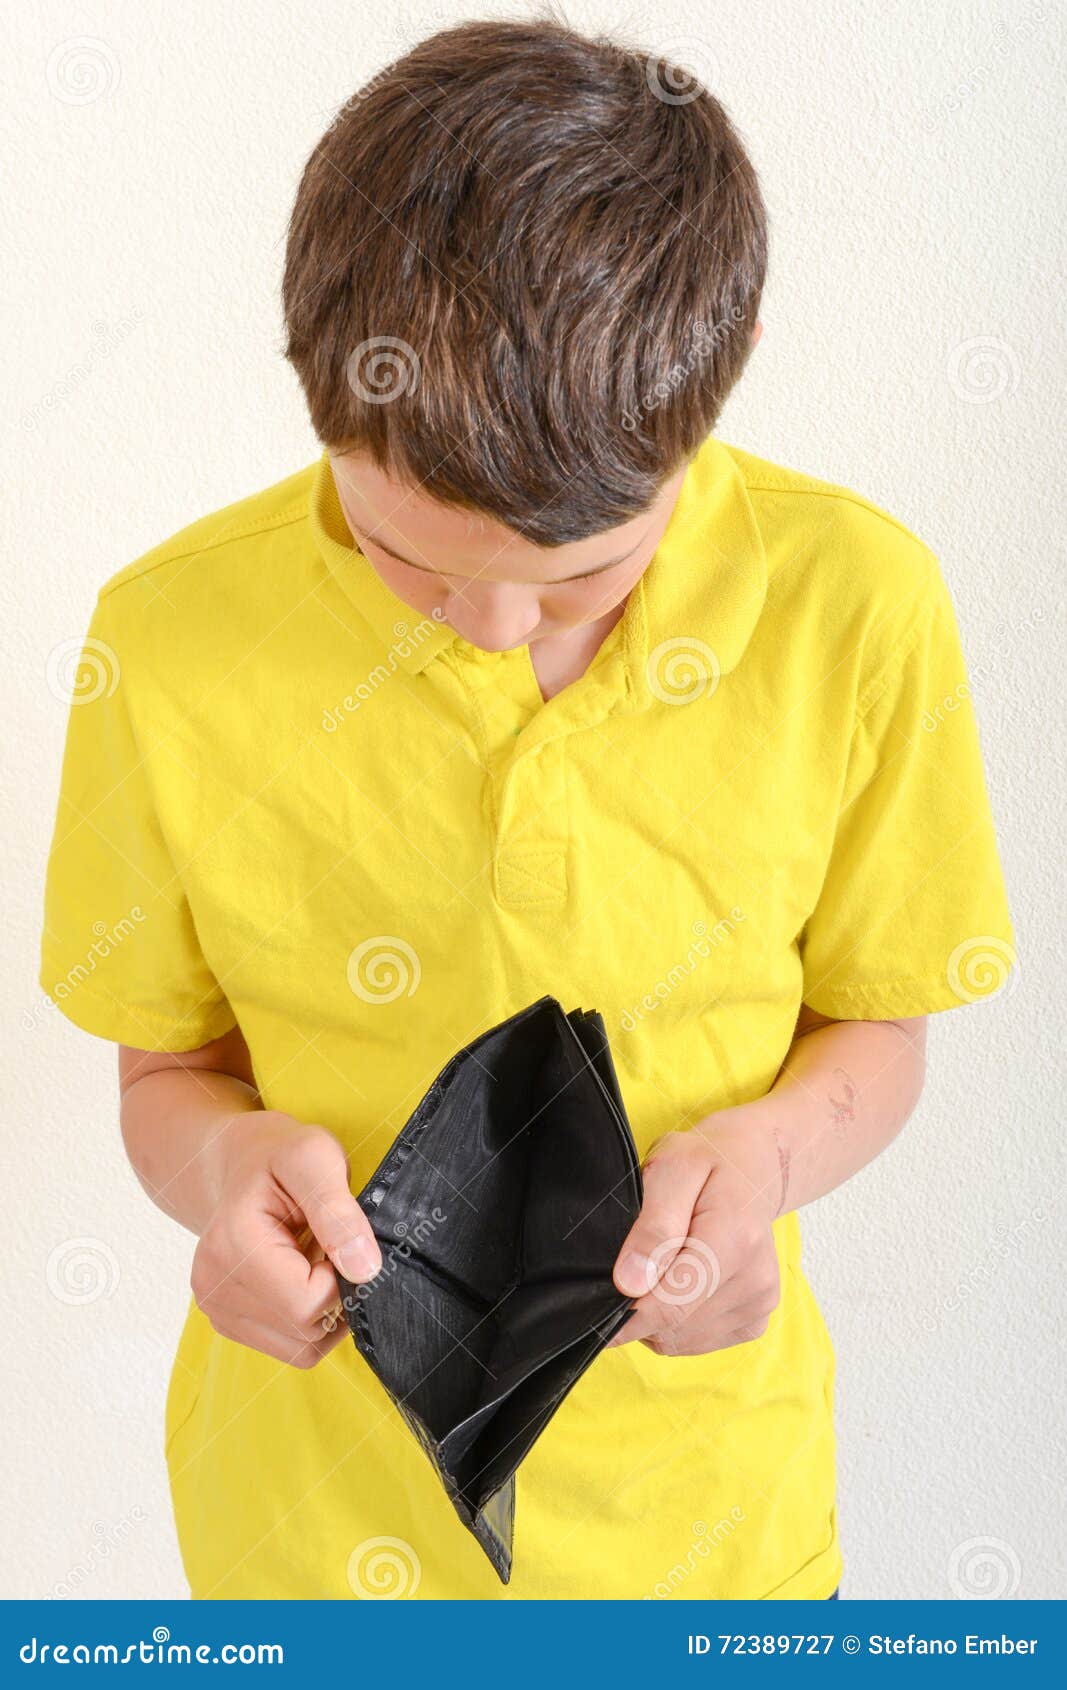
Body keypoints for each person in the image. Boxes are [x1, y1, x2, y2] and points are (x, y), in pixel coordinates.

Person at [40, 19, 1014, 1600]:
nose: (491, 628)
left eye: (578, 575)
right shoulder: (164, 639)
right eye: (408, 557)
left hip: (718, 1535)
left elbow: (885, 1027)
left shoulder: (862, 606)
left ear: (706, 409)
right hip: (300, 1546)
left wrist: (770, 1152)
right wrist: (219, 1176)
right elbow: (166, 1067)